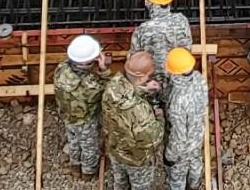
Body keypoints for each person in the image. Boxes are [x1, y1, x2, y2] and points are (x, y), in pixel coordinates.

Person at [101, 50, 166, 190]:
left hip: (115, 149)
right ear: (141, 77)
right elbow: (153, 140)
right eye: (148, 76)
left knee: (120, 181)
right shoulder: (140, 113)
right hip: (136, 159)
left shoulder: (113, 86)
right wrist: (160, 117)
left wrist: (144, 89)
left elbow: (128, 94)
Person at [53, 34, 112, 177]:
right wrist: (103, 69)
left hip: (68, 116)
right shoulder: (90, 84)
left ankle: (75, 165)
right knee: (89, 147)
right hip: (86, 120)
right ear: (89, 62)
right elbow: (109, 91)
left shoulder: (61, 69)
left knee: (73, 140)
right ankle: (88, 172)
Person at [131, 0, 191, 96]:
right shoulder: (182, 21)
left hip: (152, 86)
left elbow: (135, 61)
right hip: (179, 83)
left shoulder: (143, 30)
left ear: (150, 4)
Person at [161, 48, 209, 190]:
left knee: (177, 177)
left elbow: (179, 136)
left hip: (182, 149)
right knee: (195, 165)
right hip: (197, 136)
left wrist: (170, 156)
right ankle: (194, 185)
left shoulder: (178, 101)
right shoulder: (199, 79)